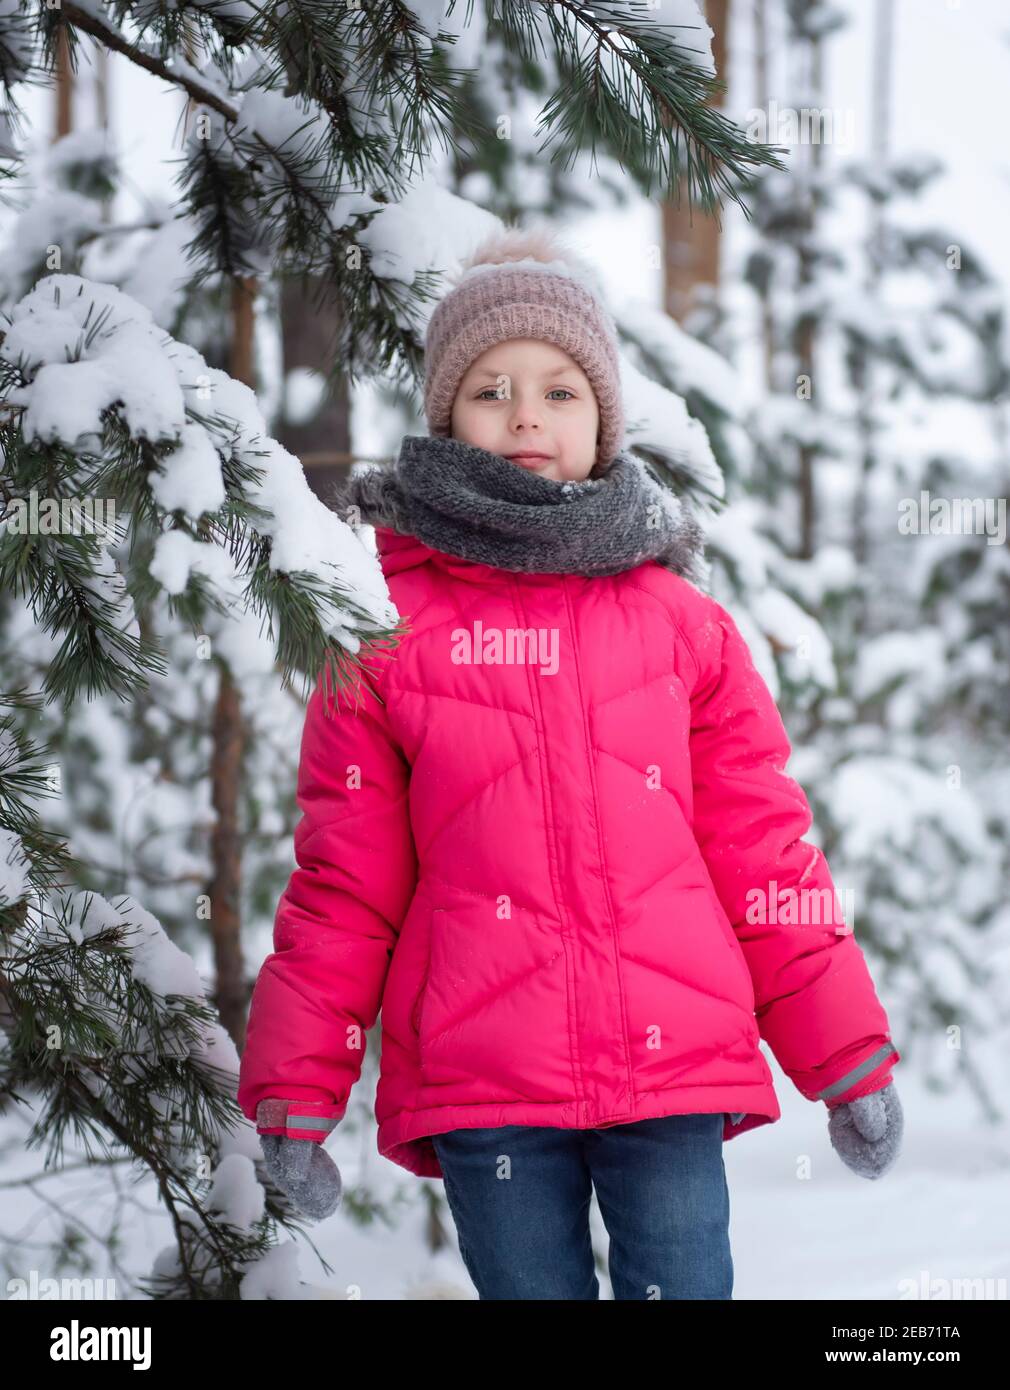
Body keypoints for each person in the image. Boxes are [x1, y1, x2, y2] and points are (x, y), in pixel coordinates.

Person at [237, 224, 904, 1299]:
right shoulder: (381, 632)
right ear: (446, 414)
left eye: (558, 391)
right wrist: (296, 1092)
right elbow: (344, 888)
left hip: (669, 1064)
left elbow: (760, 852)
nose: (525, 416)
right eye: (490, 389)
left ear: (602, 419)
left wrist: (843, 1055)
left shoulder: (681, 626)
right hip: (483, 1079)